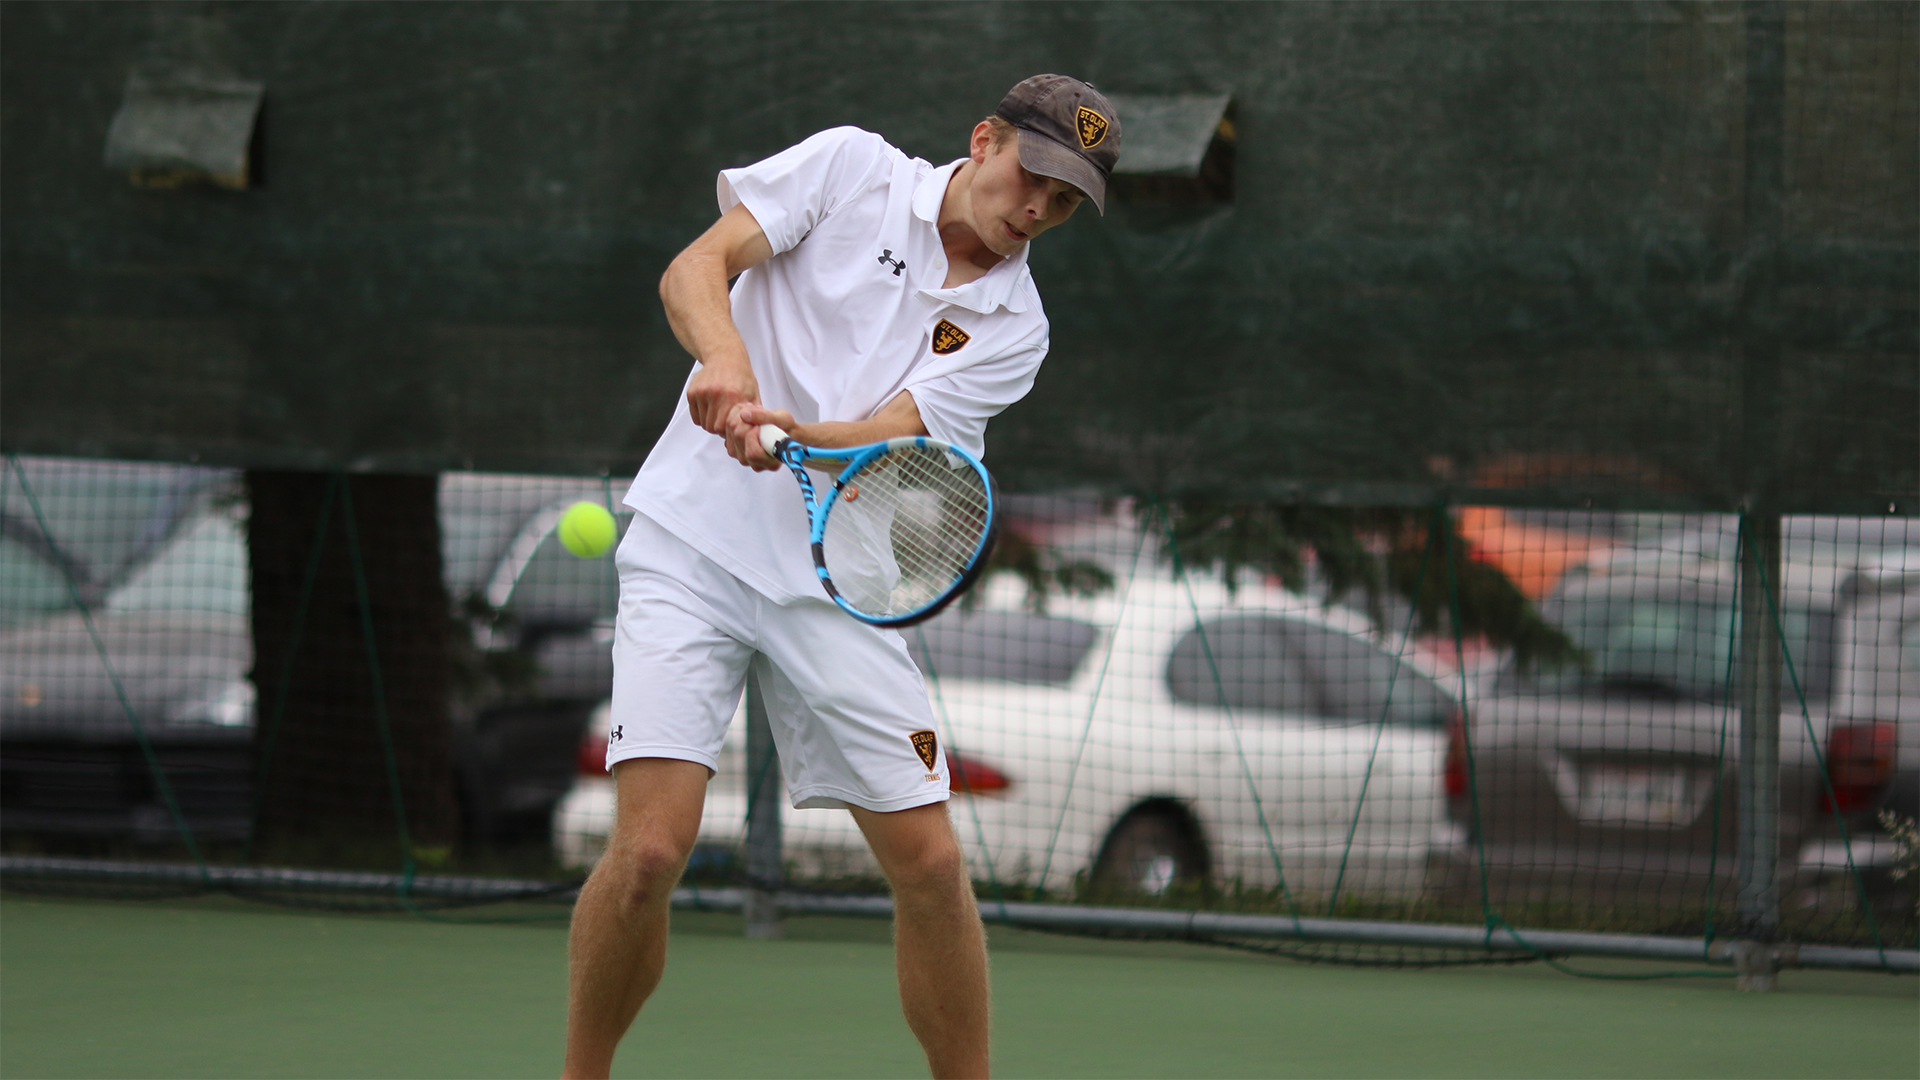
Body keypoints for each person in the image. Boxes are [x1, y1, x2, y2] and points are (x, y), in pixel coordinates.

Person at [564, 74, 1121, 1080]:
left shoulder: (1016, 327)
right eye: (1031, 175)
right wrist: (726, 365)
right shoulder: (851, 168)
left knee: (935, 867)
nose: (1036, 209)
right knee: (648, 855)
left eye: (1065, 200)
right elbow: (695, 270)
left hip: (843, 583)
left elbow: (894, 431)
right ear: (984, 141)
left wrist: (793, 431)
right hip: (692, 547)